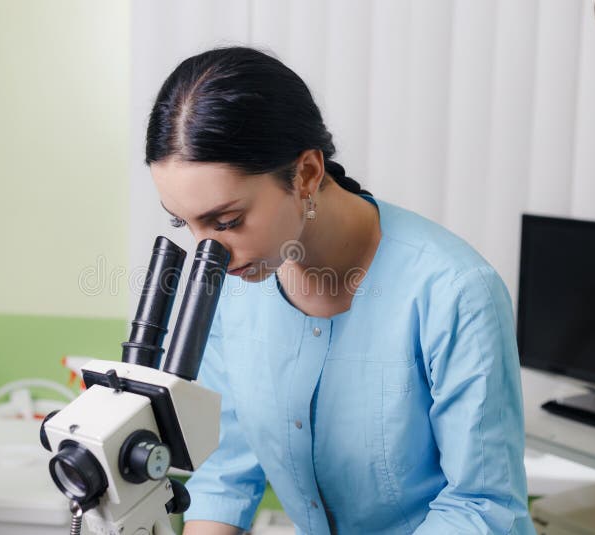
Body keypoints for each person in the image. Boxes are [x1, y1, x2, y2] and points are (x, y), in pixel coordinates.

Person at [146, 47, 533, 535]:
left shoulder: (454, 292)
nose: (210, 254)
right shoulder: (233, 287)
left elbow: (482, 506)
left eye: (227, 221)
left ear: (306, 173)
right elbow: (225, 473)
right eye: (186, 224)